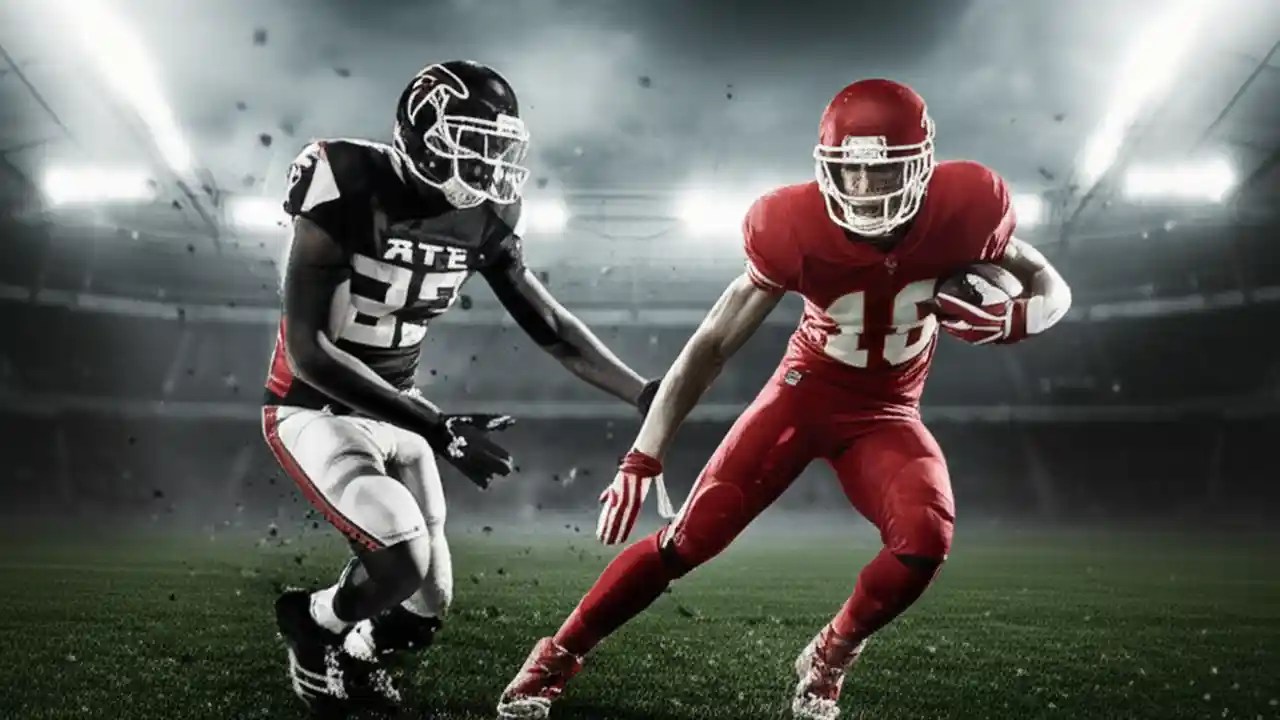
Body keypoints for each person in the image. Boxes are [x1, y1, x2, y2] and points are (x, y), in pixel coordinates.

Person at [497, 78, 1072, 720]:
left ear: (924, 167)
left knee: (924, 540)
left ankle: (830, 654)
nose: (863, 191)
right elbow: (711, 343)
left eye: (883, 173)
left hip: (887, 414)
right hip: (802, 397)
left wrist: (1023, 318)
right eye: (848, 173)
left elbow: (1048, 282)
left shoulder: (969, 207)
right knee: (688, 541)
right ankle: (556, 656)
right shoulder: (790, 225)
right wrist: (643, 455)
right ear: (824, 170)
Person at [259, 60, 660, 715]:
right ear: (424, 133)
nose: (488, 164)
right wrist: (434, 425)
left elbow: (549, 323)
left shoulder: (489, 211)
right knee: (399, 557)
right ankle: (312, 621)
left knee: (423, 611)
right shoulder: (346, 179)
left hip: (401, 411)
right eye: (473, 142)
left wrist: (645, 394)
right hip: (312, 408)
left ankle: (356, 661)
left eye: (498, 147)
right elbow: (309, 353)